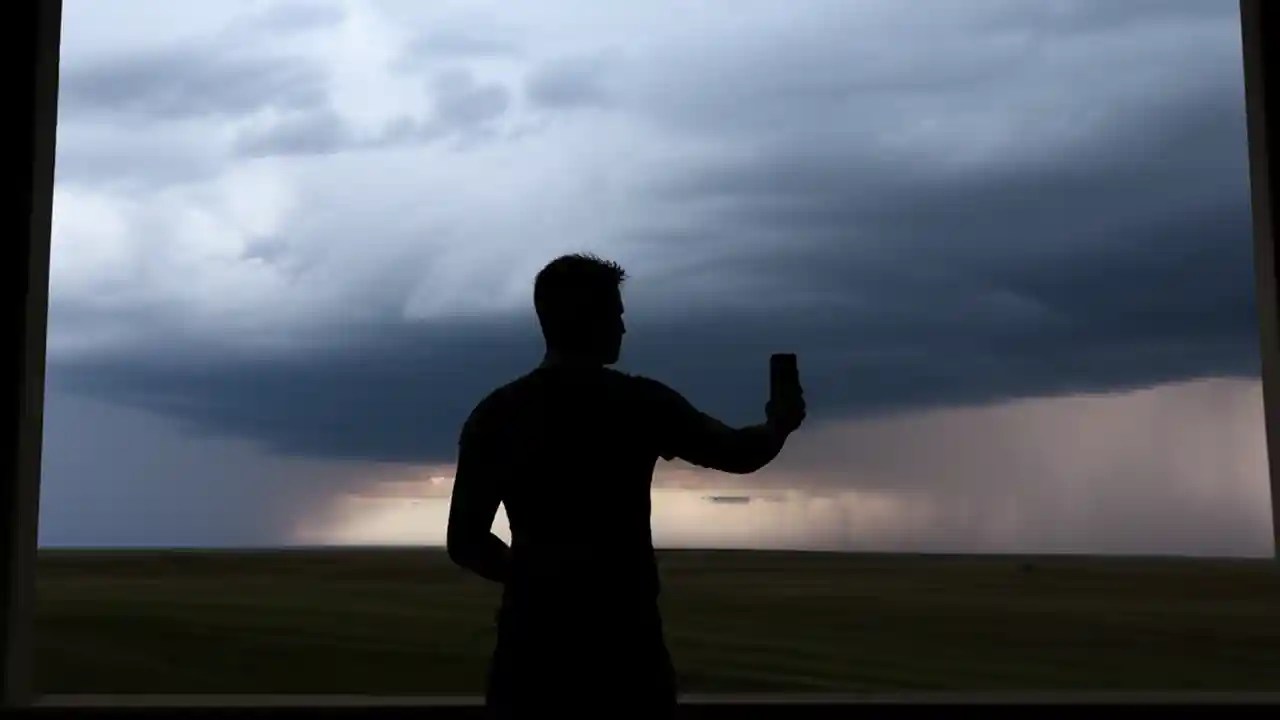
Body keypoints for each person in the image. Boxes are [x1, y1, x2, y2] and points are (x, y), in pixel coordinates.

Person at [446, 253, 806, 717]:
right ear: (588, 319)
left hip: (533, 652)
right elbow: (739, 454)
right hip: (627, 652)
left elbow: (465, 541)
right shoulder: (637, 404)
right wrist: (779, 425)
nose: (622, 327)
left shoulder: (497, 414)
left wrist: (539, 581)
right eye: (615, 314)